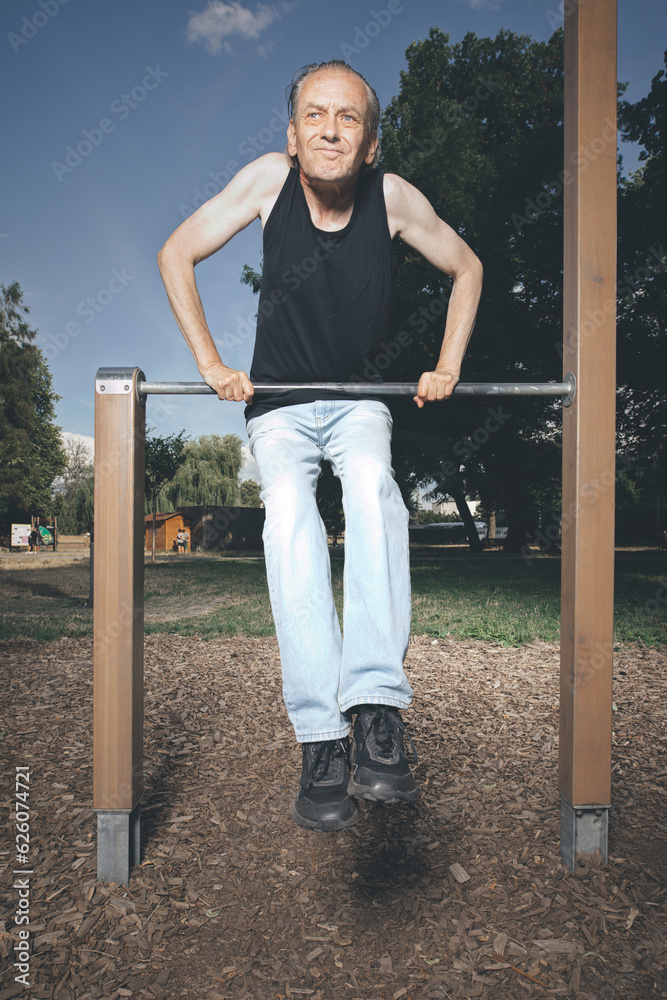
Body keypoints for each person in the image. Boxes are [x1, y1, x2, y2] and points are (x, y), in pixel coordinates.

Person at [158, 60, 482, 831]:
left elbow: (467, 268)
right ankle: (319, 741)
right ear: (292, 134)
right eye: (314, 115)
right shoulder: (269, 182)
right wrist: (209, 362)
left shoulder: (392, 197)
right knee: (290, 520)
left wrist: (446, 365)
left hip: (358, 400)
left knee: (372, 487)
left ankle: (375, 713)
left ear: (370, 143)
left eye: (347, 118)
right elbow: (177, 252)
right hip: (277, 407)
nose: (329, 129)